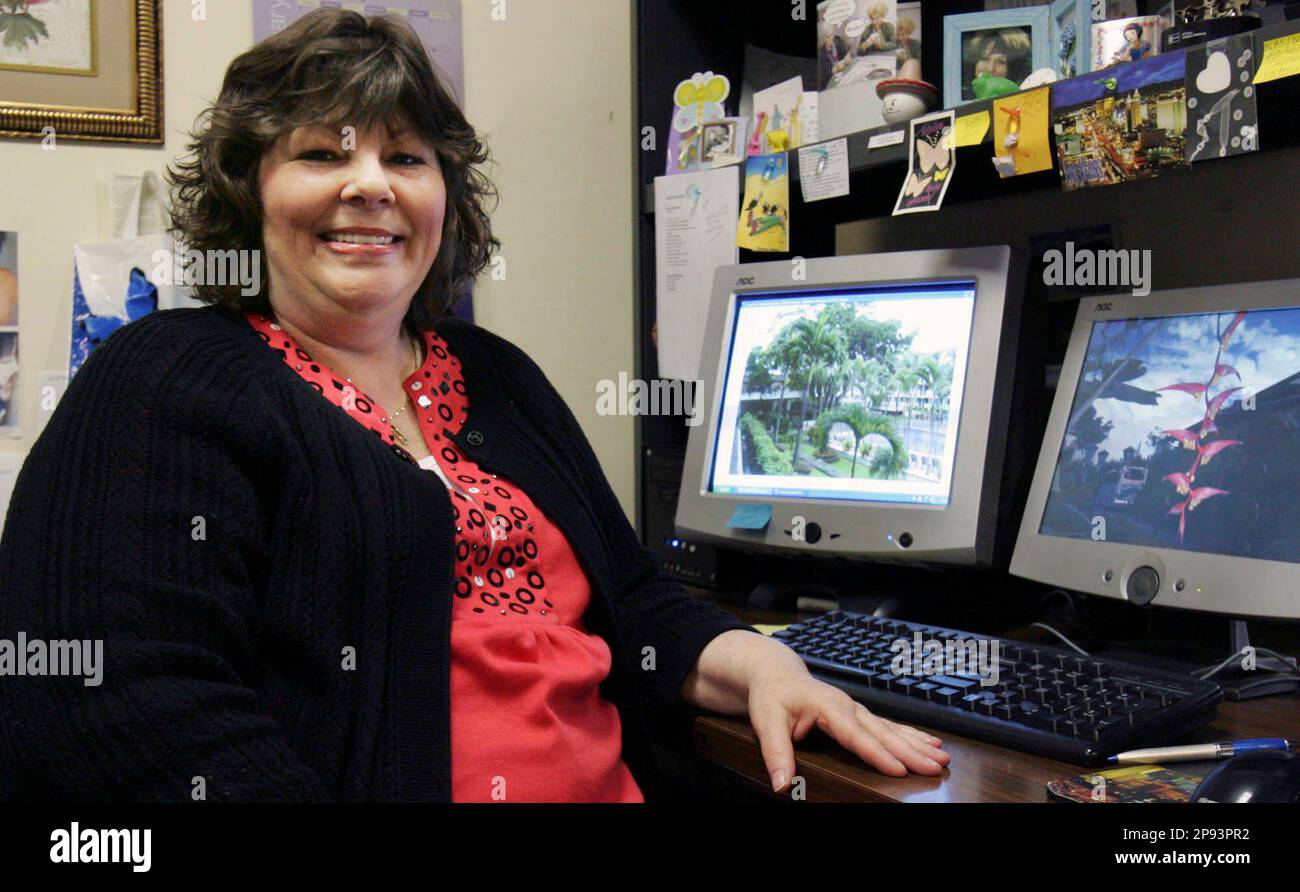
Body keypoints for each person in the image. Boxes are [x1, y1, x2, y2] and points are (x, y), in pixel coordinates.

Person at [0, 8, 948, 803]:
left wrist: (764, 664)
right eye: (323, 152)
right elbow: (113, 700)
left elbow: (638, 599)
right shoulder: (163, 378)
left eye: (405, 158)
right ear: (251, 192)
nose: (369, 184)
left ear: (444, 197)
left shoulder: (500, 377)